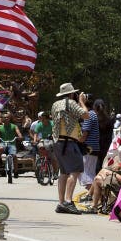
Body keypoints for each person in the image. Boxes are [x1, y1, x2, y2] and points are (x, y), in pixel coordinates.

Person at [50, 82, 90, 214]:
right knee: (75, 171)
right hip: (69, 142)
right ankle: (68, 201)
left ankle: (61, 202)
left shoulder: (55, 105)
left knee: (64, 172)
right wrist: (82, 101)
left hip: (58, 141)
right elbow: (86, 115)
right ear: (72, 93)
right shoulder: (71, 103)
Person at [79, 94, 101, 188]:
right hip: (92, 147)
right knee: (89, 172)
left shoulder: (89, 115)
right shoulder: (92, 114)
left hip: (88, 148)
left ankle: (92, 196)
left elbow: (84, 134)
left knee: (87, 173)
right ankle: (91, 195)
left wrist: (77, 142)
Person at [0, 111, 22, 176]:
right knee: (0, 148)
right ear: (3, 119)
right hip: (3, 143)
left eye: (7, 117)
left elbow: (18, 133)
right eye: (5, 117)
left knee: (14, 156)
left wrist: (20, 137)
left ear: (10, 118)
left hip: (11, 144)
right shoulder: (0, 128)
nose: (6, 118)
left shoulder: (14, 126)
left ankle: (16, 171)